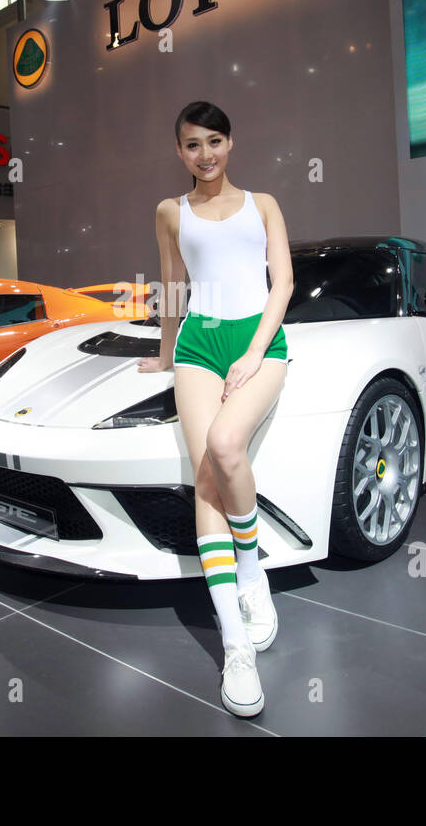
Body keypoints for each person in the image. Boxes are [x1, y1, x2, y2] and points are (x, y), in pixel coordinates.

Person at [136, 101, 293, 718]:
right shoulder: (170, 212)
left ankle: (253, 571)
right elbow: (173, 284)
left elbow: (280, 283)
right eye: (192, 145)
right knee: (206, 475)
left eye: (215, 141)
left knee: (227, 447)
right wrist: (165, 352)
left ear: (232, 143)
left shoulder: (266, 204)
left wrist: (254, 353)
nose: (205, 154)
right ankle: (235, 644)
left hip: (260, 341)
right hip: (199, 344)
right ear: (179, 152)